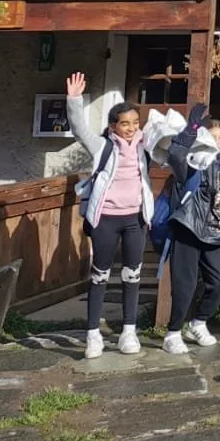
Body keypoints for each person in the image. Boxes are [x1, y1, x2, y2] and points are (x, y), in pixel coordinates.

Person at [64, 72, 156, 360]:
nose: (130, 129)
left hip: (135, 220)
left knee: (132, 276)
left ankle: (129, 331)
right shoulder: (102, 146)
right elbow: (79, 129)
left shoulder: (145, 147)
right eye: (124, 124)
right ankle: (92, 334)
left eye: (134, 123)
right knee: (100, 276)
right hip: (106, 219)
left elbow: (171, 145)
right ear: (113, 126)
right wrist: (74, 99)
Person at [162, 109, 220, 355]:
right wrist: (190, 128)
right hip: (188, 229)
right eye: (213, 136)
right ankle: (172, 333)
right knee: (185, 284)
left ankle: (198, 322)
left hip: (213, 231)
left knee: (219, 283)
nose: (218, 141)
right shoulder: (192, 165)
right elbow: (175, 154)